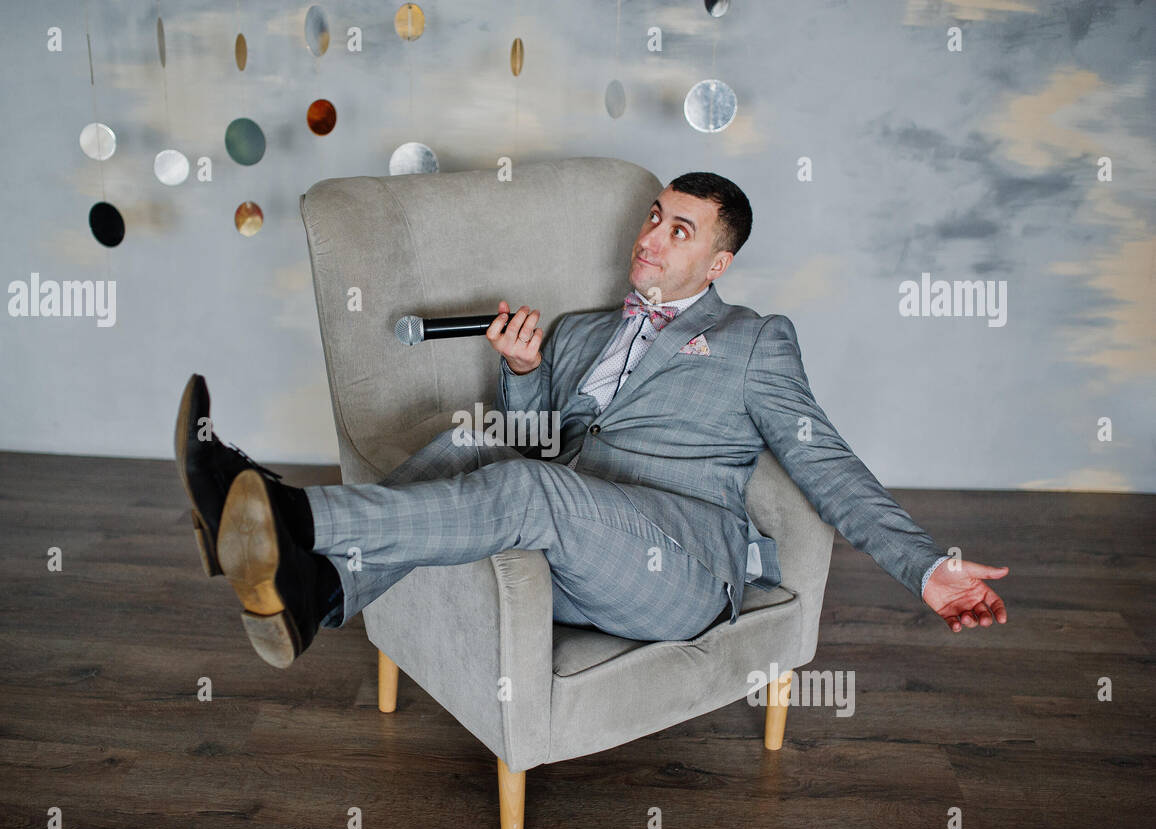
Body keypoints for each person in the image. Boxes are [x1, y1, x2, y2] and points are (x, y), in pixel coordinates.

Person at [175, 172, 1009, 670]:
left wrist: (928, 565)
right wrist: (525, 371)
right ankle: (319, 589)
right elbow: (534, 442)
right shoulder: (581, 331)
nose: (652, 236)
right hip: (573, 541)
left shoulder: (753, 342)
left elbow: (827, 465)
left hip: (678, 569)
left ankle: (285, 516)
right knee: (476, 433)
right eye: (654, 215)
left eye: (679, 230)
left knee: (534, 491)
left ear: (717, 263)